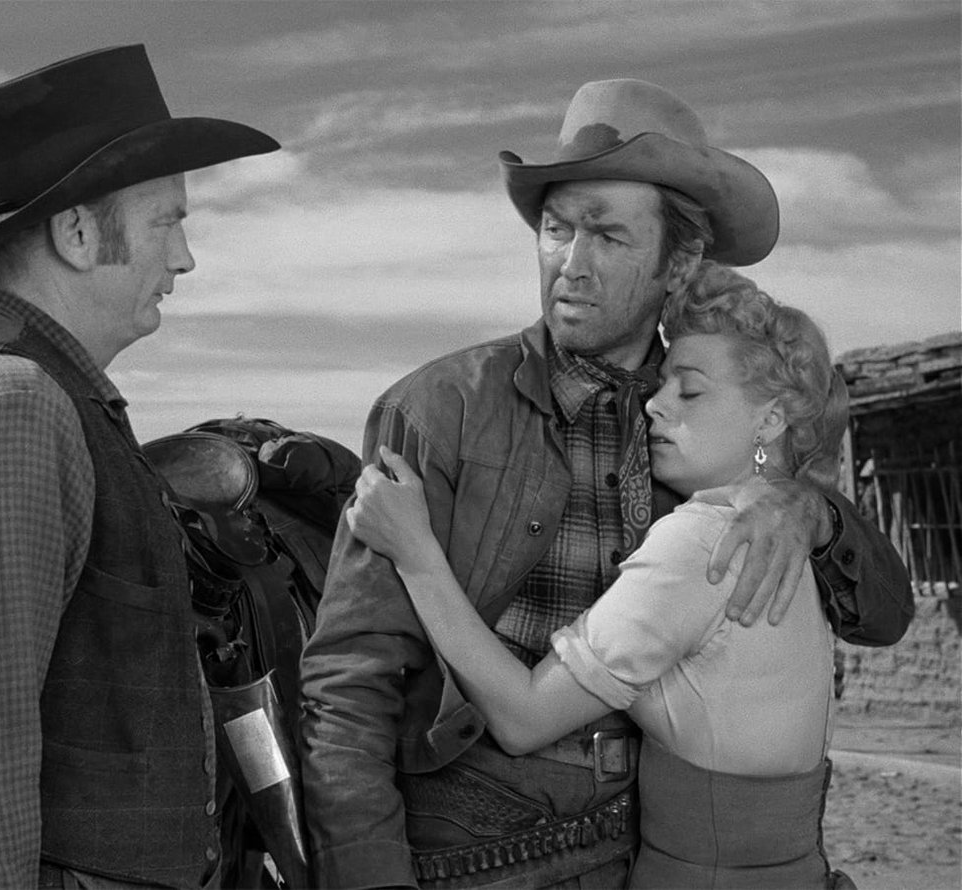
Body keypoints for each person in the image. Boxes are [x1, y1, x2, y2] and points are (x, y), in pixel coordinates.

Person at [298, 79, 912, 889]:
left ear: (678, 262)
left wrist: (813, 511)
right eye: (557, 229)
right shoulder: (440, 409)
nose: (571, 264)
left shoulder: (714, 420)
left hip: (662, 858)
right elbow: (349, 684)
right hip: (481, 863)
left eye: (609, 235)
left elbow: (884, 617)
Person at [0, 45, 279, 888]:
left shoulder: (20, 390)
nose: (185, 258)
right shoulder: (9, 408)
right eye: (167, 222)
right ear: (77, 234)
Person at [348, 262, 855, 888]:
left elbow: (523, 718)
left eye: (690, 393)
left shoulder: (702, 541)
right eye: (662, 385)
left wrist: (416, 553)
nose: (655, 405)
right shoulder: (795, 534)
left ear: (770, 420)